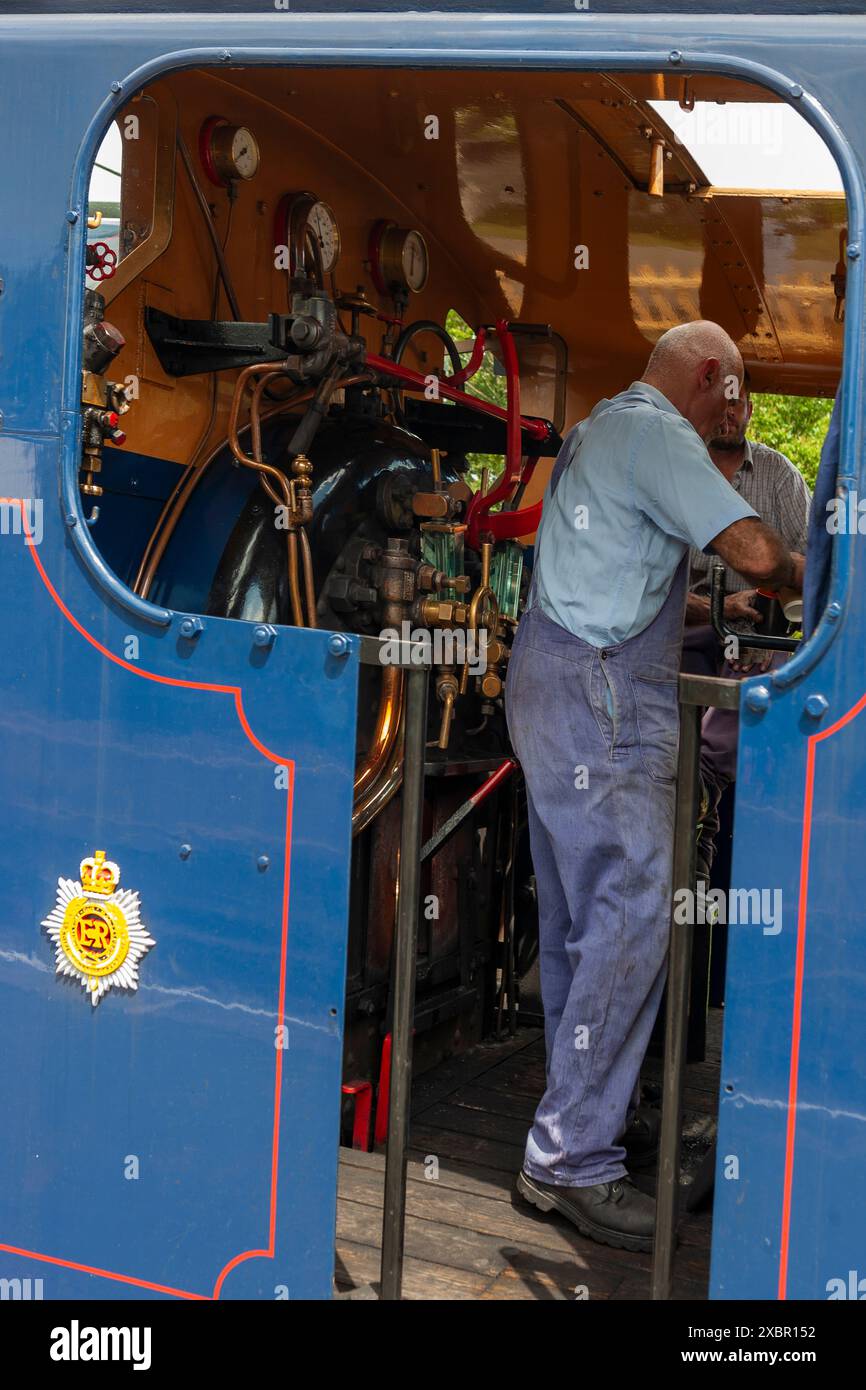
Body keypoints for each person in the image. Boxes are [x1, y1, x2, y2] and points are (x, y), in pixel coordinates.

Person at [506, 322, 805, 1253]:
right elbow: (755, 551)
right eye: (737, 393)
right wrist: (825, 579)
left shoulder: (601, 426)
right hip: (601, 692)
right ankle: (568, 1160)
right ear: (712, 377)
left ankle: (590, 1113)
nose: (739, 412)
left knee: (577, 926)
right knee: (634, 910)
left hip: (549, 677)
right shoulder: (659, 431)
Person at [683, 373, 812, 877]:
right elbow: (662, 586)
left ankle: (702, 802)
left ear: (752, 411)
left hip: (761, 631)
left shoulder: (779, 475)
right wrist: (718, 607)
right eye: (725, 403)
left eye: (741, 405)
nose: (732, 413)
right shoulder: (682, 472)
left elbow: (806, 562)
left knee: (753, 692)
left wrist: (766, 594)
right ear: (711, 407)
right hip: (692, 626)